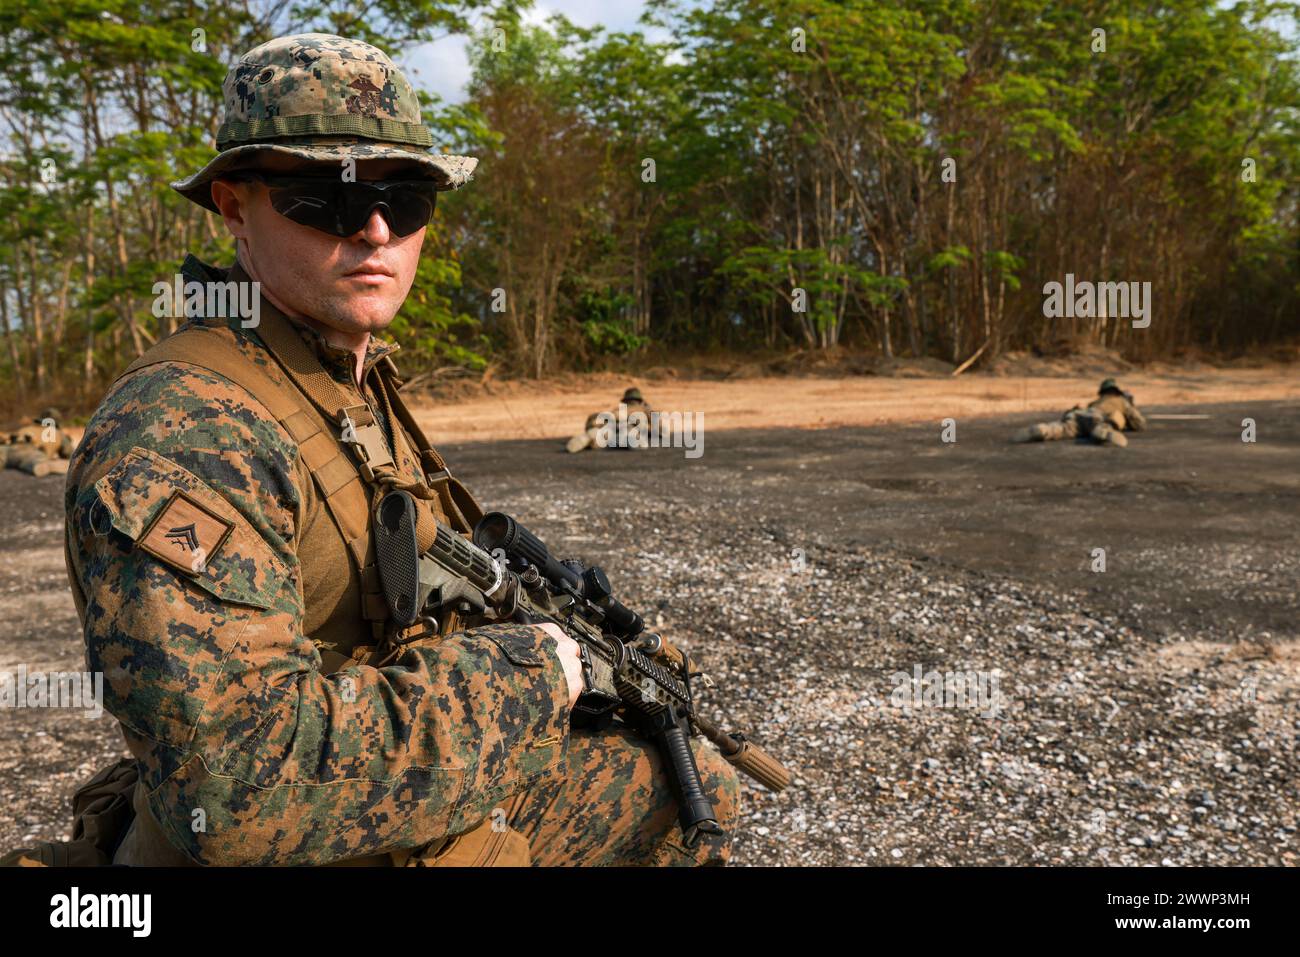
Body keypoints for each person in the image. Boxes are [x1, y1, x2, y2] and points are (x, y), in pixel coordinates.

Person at [14, 34, 738, 868]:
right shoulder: (188, 428)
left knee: (691, 784)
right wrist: (532, 674)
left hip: (361, 776)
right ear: (234, 207)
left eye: (408, 196)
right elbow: (238, 787)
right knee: (684, 807)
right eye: (328, 197)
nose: (377, 229)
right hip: (278, 836)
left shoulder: (337, 375)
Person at [1012, 378, 1147, 447]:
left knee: (1063, 429)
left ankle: (1044, 430)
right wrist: (1130, 407)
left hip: (1080, 413)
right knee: (1105, 423)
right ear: (1117, 391)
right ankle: (1103, 431)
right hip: (1097, 418)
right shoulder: (1121, 401)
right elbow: (1139, 424)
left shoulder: (1095, 402)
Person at [565, 387, 654, 453]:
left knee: (595, 434)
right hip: (628, 431)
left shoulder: (618, 410)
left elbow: (598, 421)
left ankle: (584, 439)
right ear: (640, 400)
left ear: (625, 400)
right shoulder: (643, 409)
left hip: (611, 431)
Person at [0, 408, 75, 476]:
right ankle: (45, 464)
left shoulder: (27, 428)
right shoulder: (58, 433)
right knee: (36, 461)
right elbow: (69, 454)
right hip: (30, 451)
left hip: (10, 449)